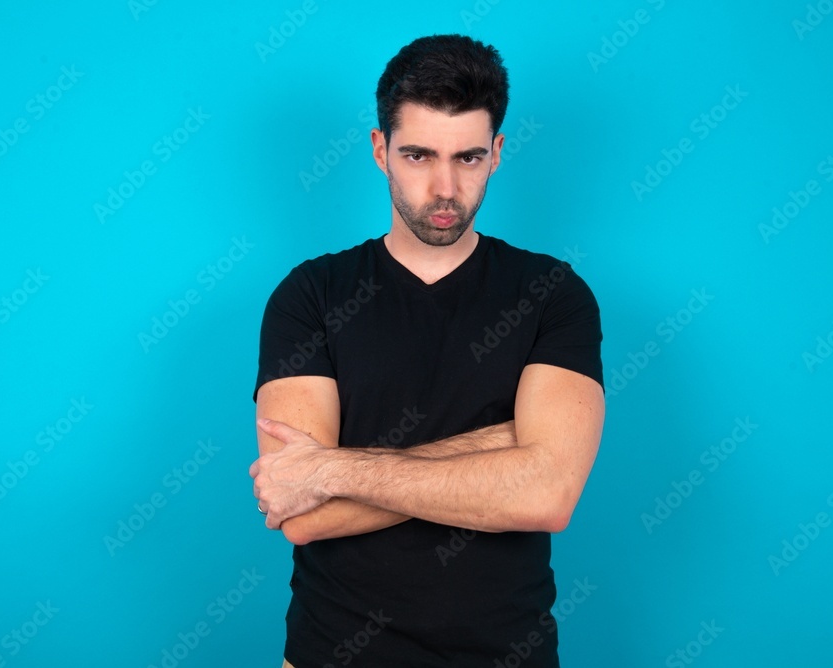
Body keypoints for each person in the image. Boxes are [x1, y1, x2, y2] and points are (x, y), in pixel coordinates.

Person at [250, 33, 605, 668]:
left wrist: (330, 469)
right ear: (379, 150)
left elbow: (548, 495)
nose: (445, 188)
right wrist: (510, 446)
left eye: (468, 158)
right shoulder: (311, 294)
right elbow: (301, 513)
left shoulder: (553, 293)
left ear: (497, 154)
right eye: (418, 155)